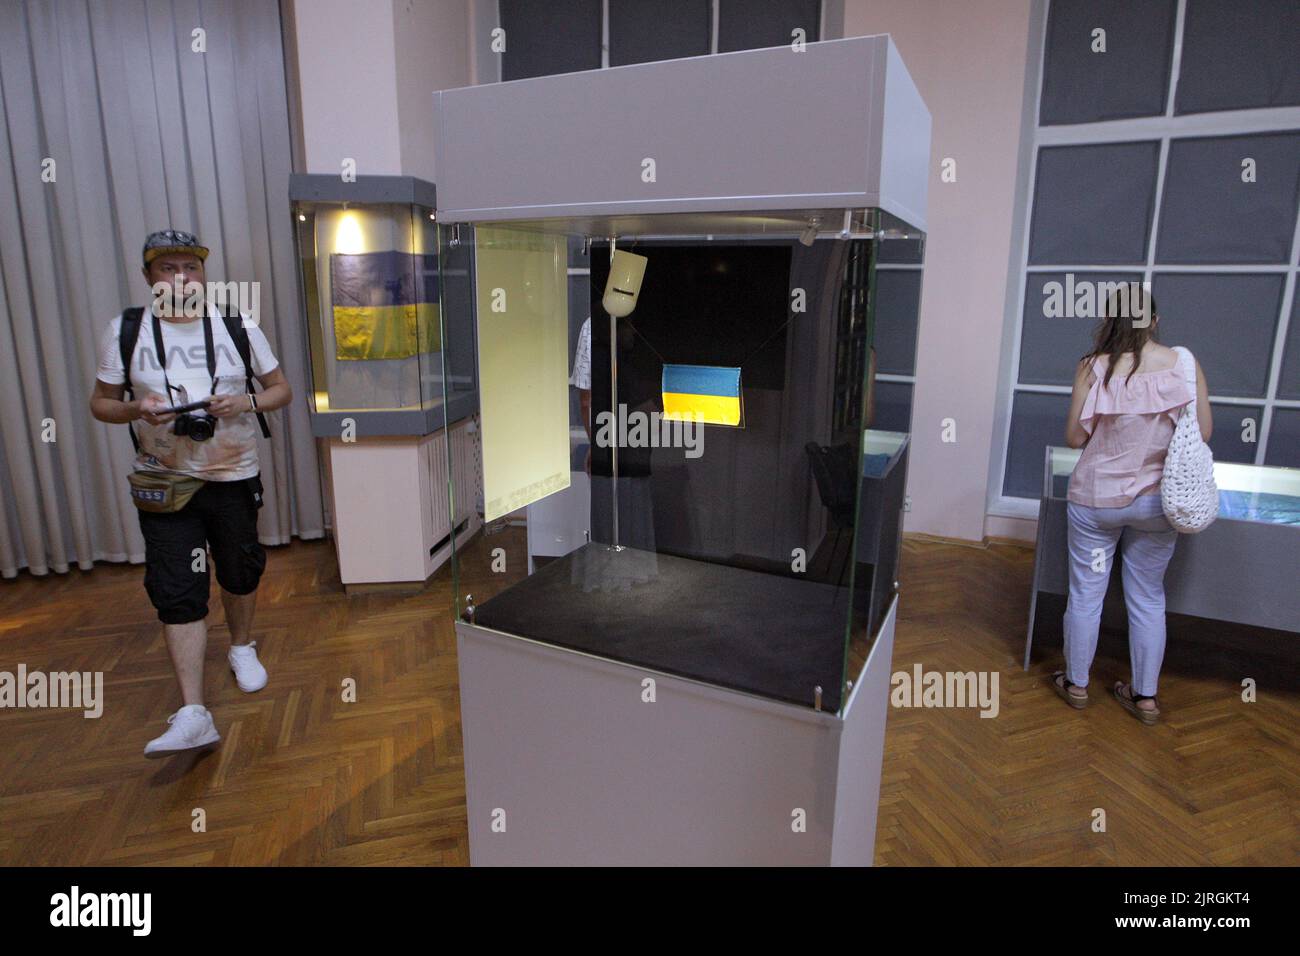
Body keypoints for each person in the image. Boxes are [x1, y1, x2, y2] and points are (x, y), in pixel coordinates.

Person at [89, 230, 292, 757]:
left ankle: (242, 647)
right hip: (165, 479)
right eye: (167, 269)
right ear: (148, 277)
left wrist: (243, 401)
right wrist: (138, 408)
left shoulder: (235, 324)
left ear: (203, 274)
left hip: (232, 472)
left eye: (190, 268)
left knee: (240, 569)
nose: (181, 278)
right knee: (177, 588)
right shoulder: (126, 330)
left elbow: (281, 391)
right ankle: (193, 712)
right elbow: (101, 404)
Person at [1052, 287, 1210, 725]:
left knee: (1086, 595)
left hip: (1095, 501)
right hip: (1156, 504)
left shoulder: (1093, 367)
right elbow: (1205, 431)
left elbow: (1074, 438)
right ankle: (1144, 697)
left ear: (1111, 319)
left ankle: (1077, 683)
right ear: (1153, 321)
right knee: (1147, 599)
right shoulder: (1183, 363)